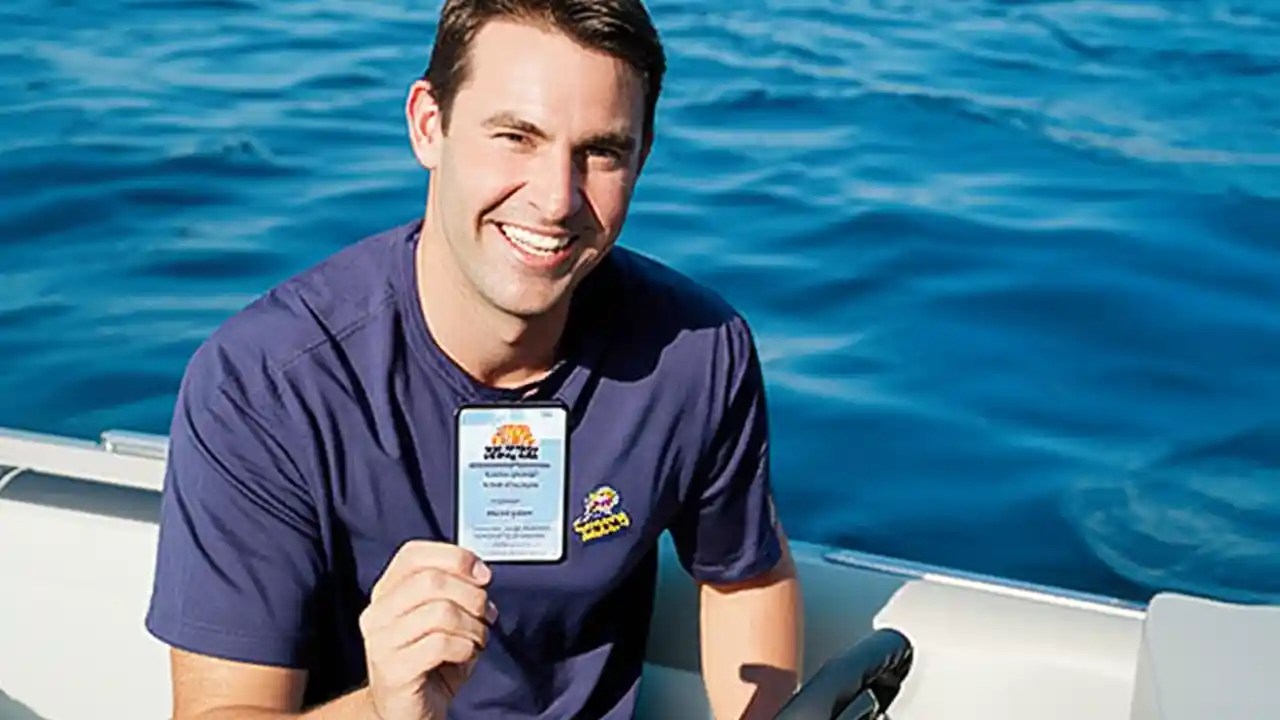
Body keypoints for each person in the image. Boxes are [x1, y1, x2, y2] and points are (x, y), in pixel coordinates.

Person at [143, 1, 804, 718]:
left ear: (643, 156)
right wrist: (385, 707)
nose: (556, 199)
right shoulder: (264, 387)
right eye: (516, 136)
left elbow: (745, 580)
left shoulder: (697, 352)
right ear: (430, 125)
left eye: (602, 151)